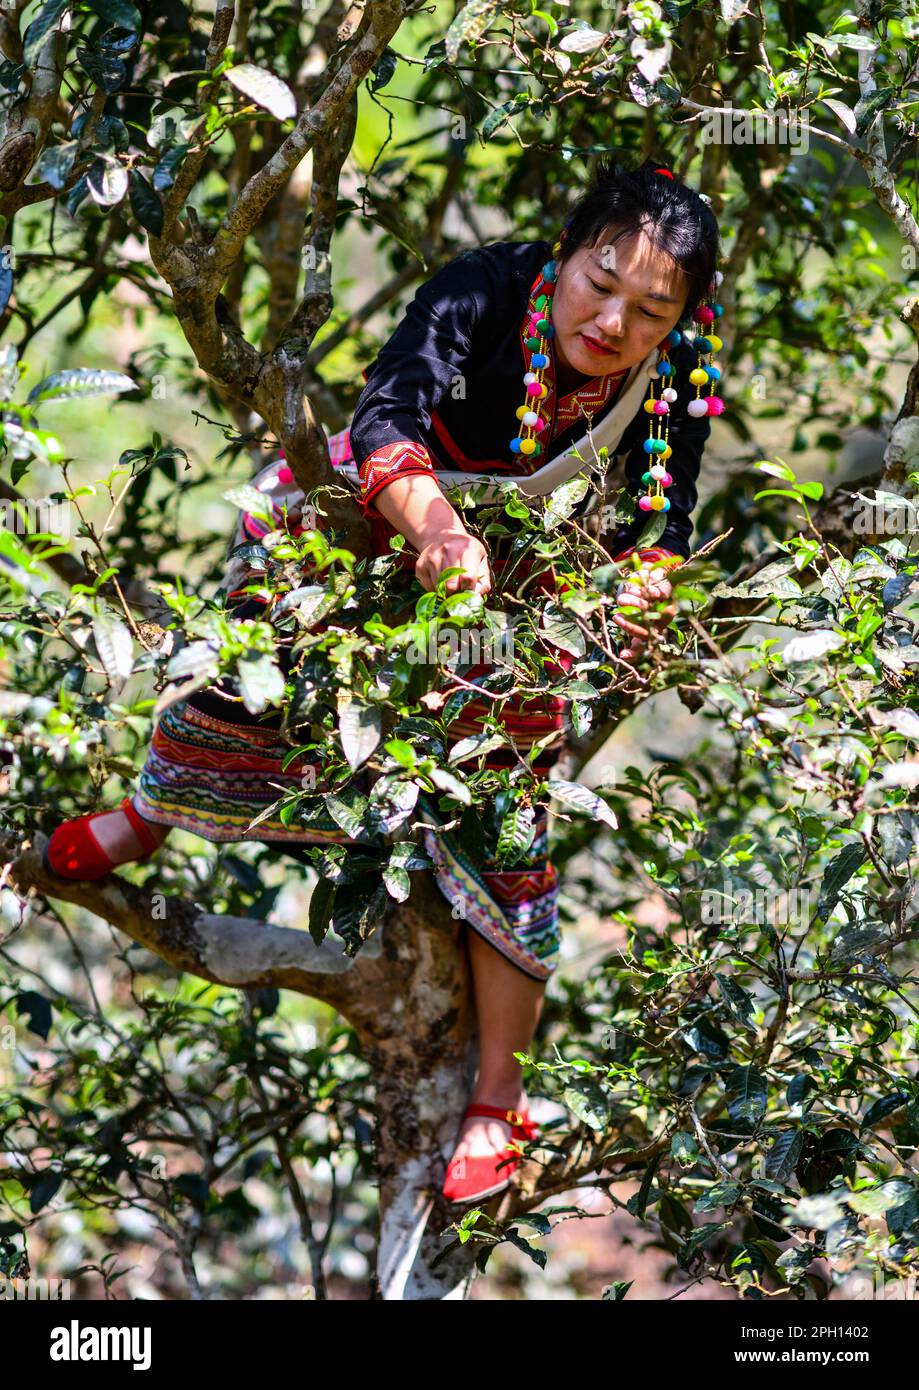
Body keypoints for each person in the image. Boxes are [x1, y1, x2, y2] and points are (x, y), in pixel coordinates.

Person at [44, 156, 723, 1205]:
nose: (612, 321)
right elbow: (385, 419)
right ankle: (149, 812)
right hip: (390, 516)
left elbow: (661, 527)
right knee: (257, 653)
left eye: (647, 309)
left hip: (525, 574)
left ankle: (498, 1099)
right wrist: (438, 534)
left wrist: (634, 599)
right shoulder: (481, 288)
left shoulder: (677, 368)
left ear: (681, 315)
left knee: (508, 804)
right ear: (564, 251)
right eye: (600, 282)